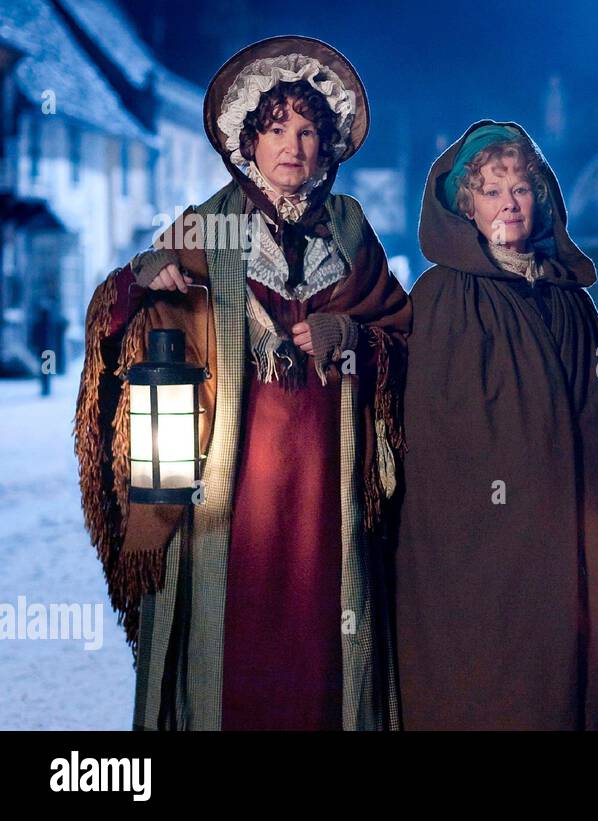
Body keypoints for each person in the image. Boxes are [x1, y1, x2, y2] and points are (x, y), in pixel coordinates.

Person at [74, 36, 410, 730]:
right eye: (278, 129)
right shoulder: (209, 224)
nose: (295, 146)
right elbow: (114, 310)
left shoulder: (350, 230)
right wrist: (145, 277)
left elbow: (405, 335)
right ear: (248, 141)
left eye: (310, 130)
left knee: (326, 627)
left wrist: (348, 334)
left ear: (330, 145)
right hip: (227, 492)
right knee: (236, 635)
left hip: (329, 485)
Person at [396, 121, 598, 730]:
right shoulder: (442, 296)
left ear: (542, 201)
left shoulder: (570, 300)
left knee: (564, 664)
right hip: (476, 540)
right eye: (491, 189)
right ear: (466, 206)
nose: (509, 202)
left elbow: (592, 419)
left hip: (565, 522)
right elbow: (433, 430)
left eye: (521, 188)